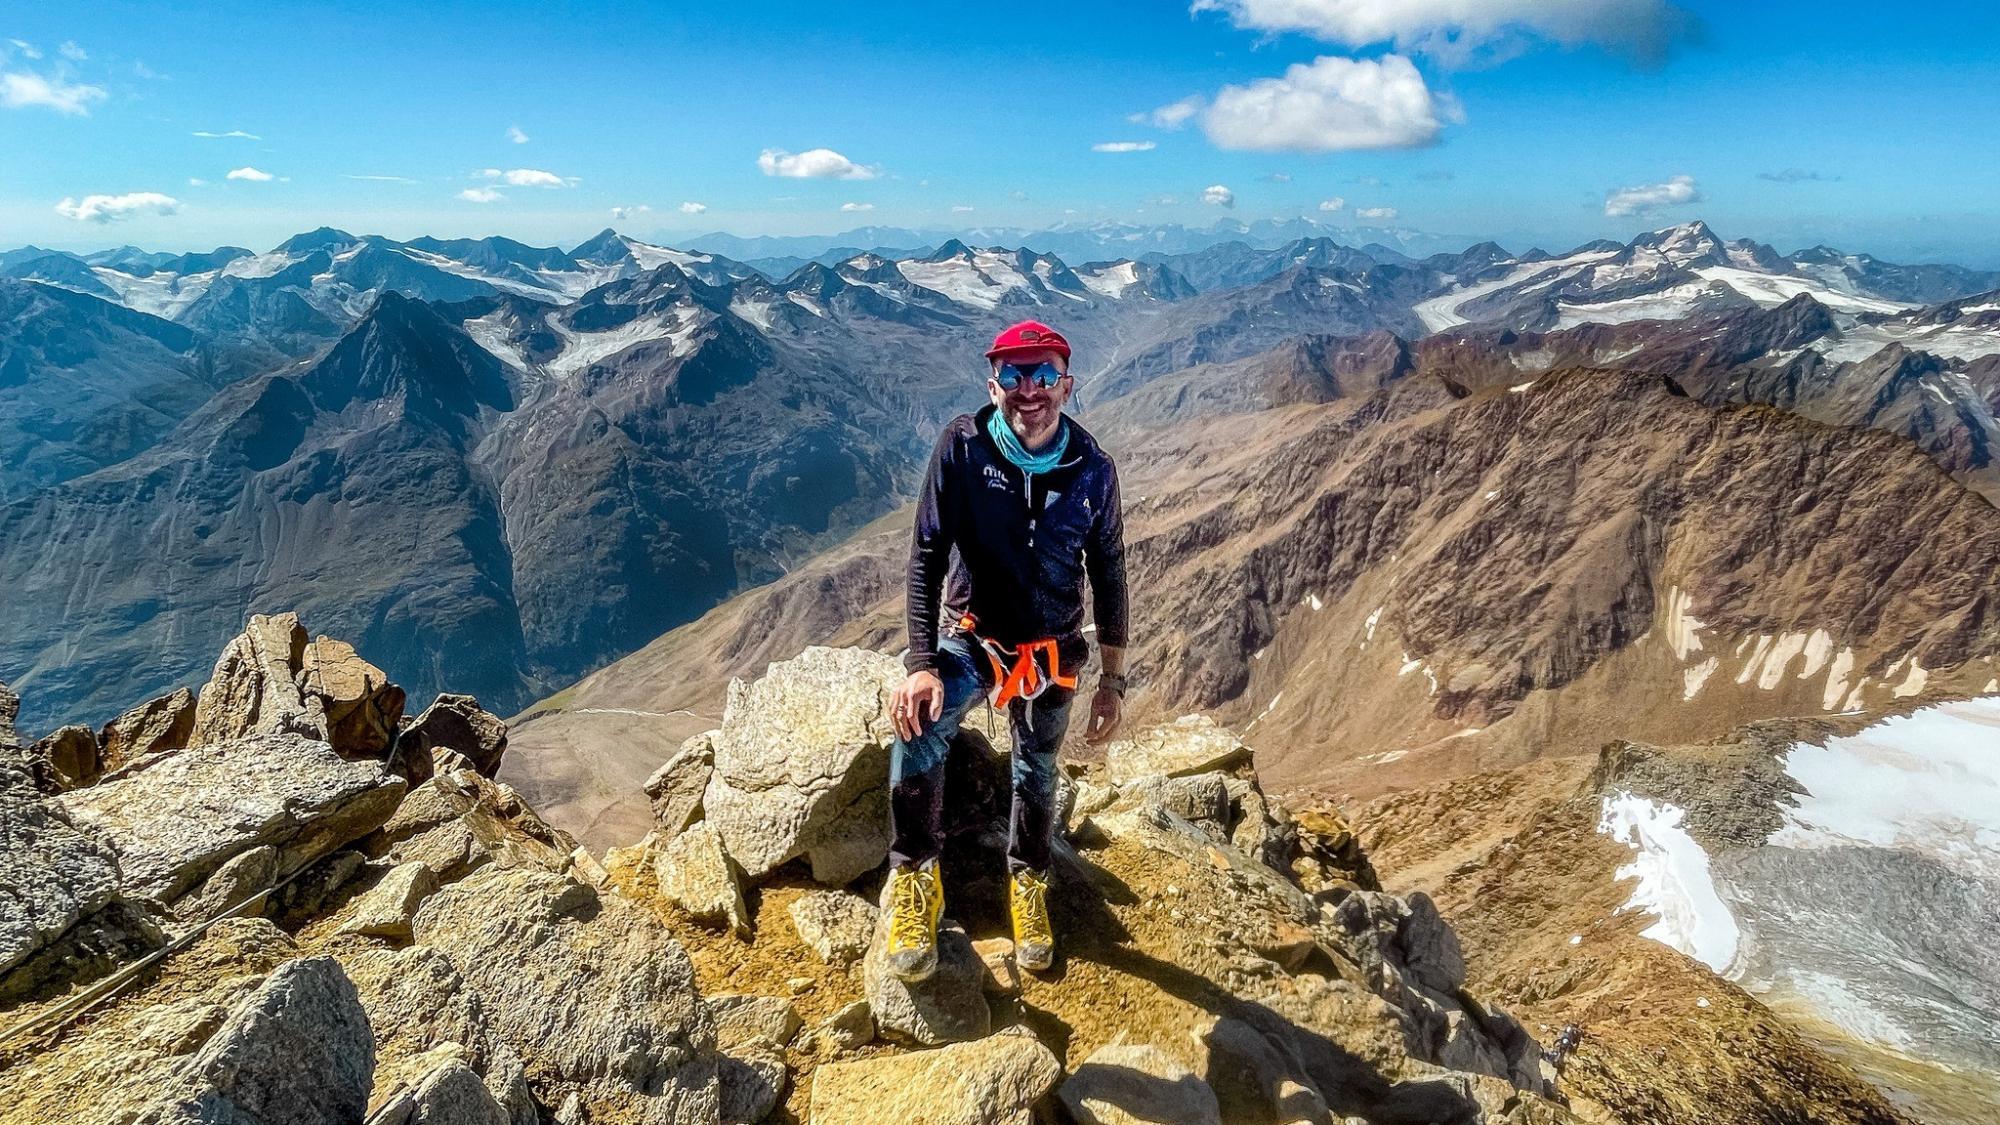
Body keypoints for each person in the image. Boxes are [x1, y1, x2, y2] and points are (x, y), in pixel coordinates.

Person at [881, 319, 1129, 981]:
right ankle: (914, 879)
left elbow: (1109, 571)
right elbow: (927, 555)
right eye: (1015, 375)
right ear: (994, 384)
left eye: (1044, 374)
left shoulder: (1092, 469)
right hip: (975, 640)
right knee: (921, 721)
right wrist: (920, 662)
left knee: (1037, 770)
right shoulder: (962, 449)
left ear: (1066, 384)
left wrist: (1113, 679)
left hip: (1054, 652)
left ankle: (1029, 881)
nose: (1030, 389)